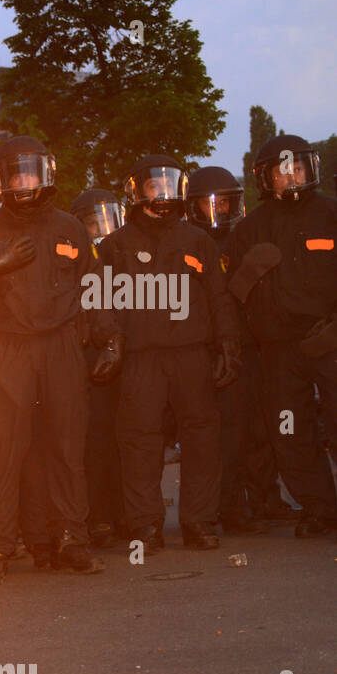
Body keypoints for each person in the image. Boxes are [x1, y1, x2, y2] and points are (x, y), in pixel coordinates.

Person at [0, 136, 121, 585]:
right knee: (2, 451)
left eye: (30, 172)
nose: (23, 181)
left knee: (68, 447)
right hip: (8, 348)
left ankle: (72, 539)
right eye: (14, 173)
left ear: (46, 174)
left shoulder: (69, 227)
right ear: (1, 179)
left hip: (63, 346)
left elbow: (93, 288)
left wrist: (109, 339)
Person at [102, 155, 238, 553]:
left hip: (191, 355)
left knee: (202, 439)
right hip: (141, 359)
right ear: (136, 191)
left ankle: (199, 522)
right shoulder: (115, 246)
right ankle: (145, 526)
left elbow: (219, 298)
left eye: (167, 185)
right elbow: (98, 301)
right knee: (139, 442)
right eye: (151, 186)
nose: (161, 193)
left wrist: (228, 345)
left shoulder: (198, 241)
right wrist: (109, 338)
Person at [228, 135, 337, 537]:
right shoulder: (251, 228)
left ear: (311, 169)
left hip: (330, 341)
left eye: (297, 167)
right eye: (281, 170)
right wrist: (248, 275)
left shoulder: (331, 214)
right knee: (290, 431)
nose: (291, 176)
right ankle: (321, 509)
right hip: (278, 351)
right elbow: (232, 296)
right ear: (265, 178)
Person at [186, 167, 273, 535]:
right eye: (210, 204)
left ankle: (257, 501)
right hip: (202, 351)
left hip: (247, 346)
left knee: (254, 430)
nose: (218, 211)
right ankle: (224, 507)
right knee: (217, 435)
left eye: (225, 202)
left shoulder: (243, 238)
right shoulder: (186, 242)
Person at [71, 189, 127, 547]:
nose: (102, 230)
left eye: (108, 220)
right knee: (95, 441)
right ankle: (100, 516)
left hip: (130, 360)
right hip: (92, 361)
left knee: (128, 439)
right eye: (92, 223)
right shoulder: (75, 261)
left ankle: (124, 514)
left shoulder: (125, 255)